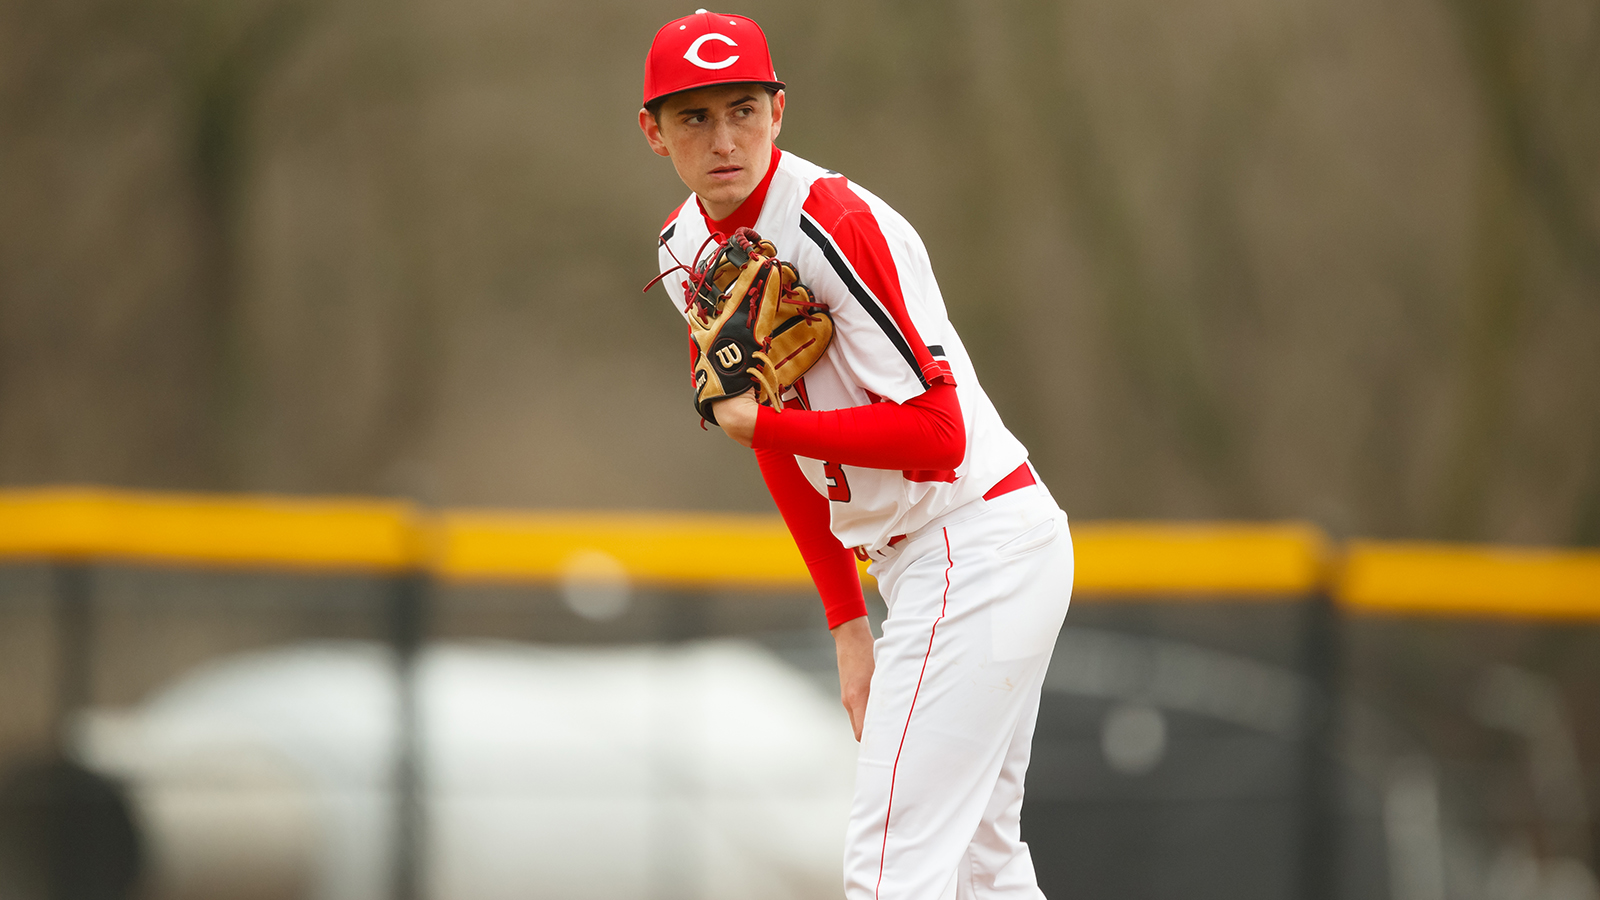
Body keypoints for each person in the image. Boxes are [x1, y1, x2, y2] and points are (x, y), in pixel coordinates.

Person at [639, 11, 1074, 899]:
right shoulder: (684, 250)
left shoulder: (833, 222)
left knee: (889, 867)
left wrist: (768, 426)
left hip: (974, 542)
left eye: (744, 109)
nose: (724, 139)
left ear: (779, 110)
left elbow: (939, 435)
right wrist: (846, 624)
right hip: (937, 561)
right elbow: (771, 445)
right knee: (984, 865)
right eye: (695, 117)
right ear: (653, 131)